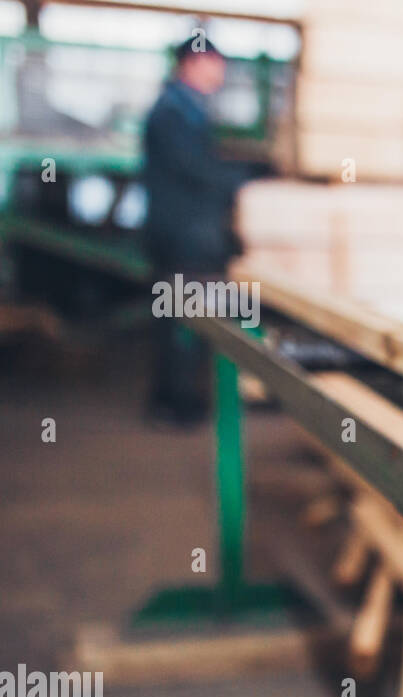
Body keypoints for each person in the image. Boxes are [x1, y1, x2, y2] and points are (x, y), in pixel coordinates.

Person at [141, 37, 250, 425]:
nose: (219, 72)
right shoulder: (173, 112)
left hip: (183, 232)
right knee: (182, 318)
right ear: (191, 63)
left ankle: (171, 400)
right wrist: (245, 180)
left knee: (179, 316)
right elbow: (195, 168)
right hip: (181, 236)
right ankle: (175, 403)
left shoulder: (187, 108)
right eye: (213, 63)